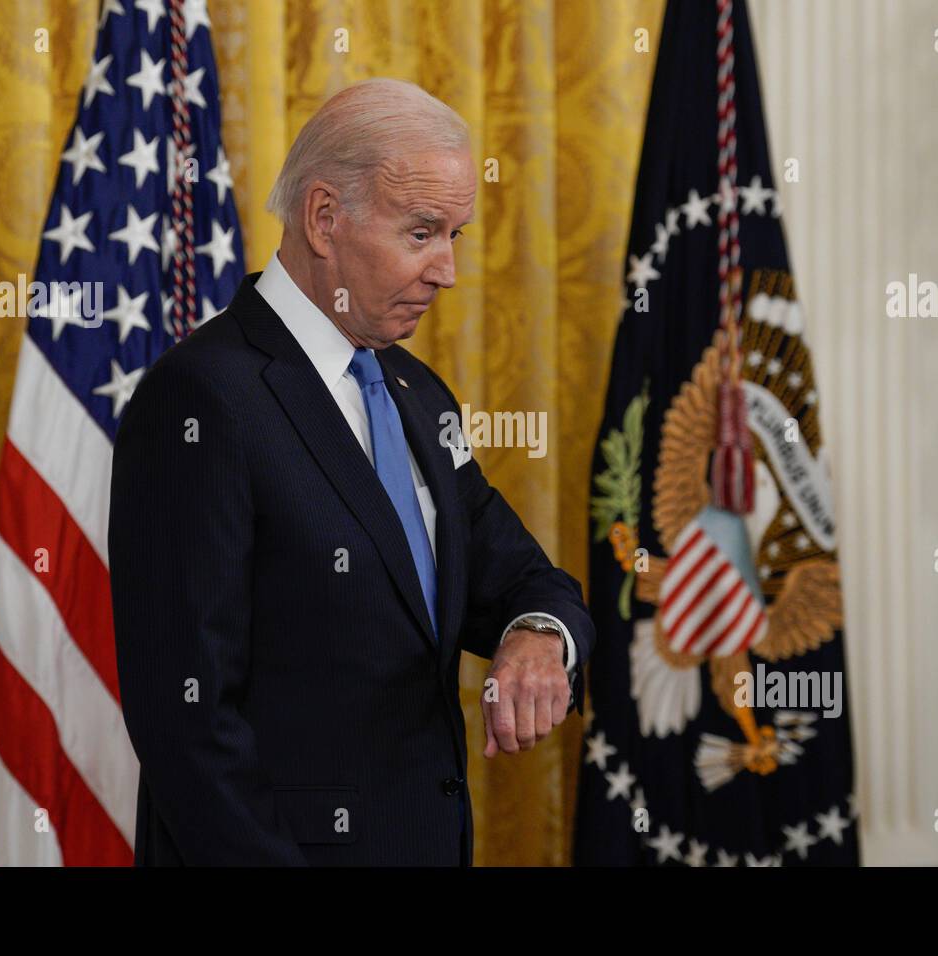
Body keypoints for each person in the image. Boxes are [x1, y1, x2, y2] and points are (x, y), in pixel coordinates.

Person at [108, 78, 595, 866]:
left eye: (456, 236)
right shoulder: (200, 399)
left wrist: (538, 638)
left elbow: (523, 579)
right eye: (422, 232)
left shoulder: (414, 391)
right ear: (325, 218)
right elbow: (188, 725)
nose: (448, 271)